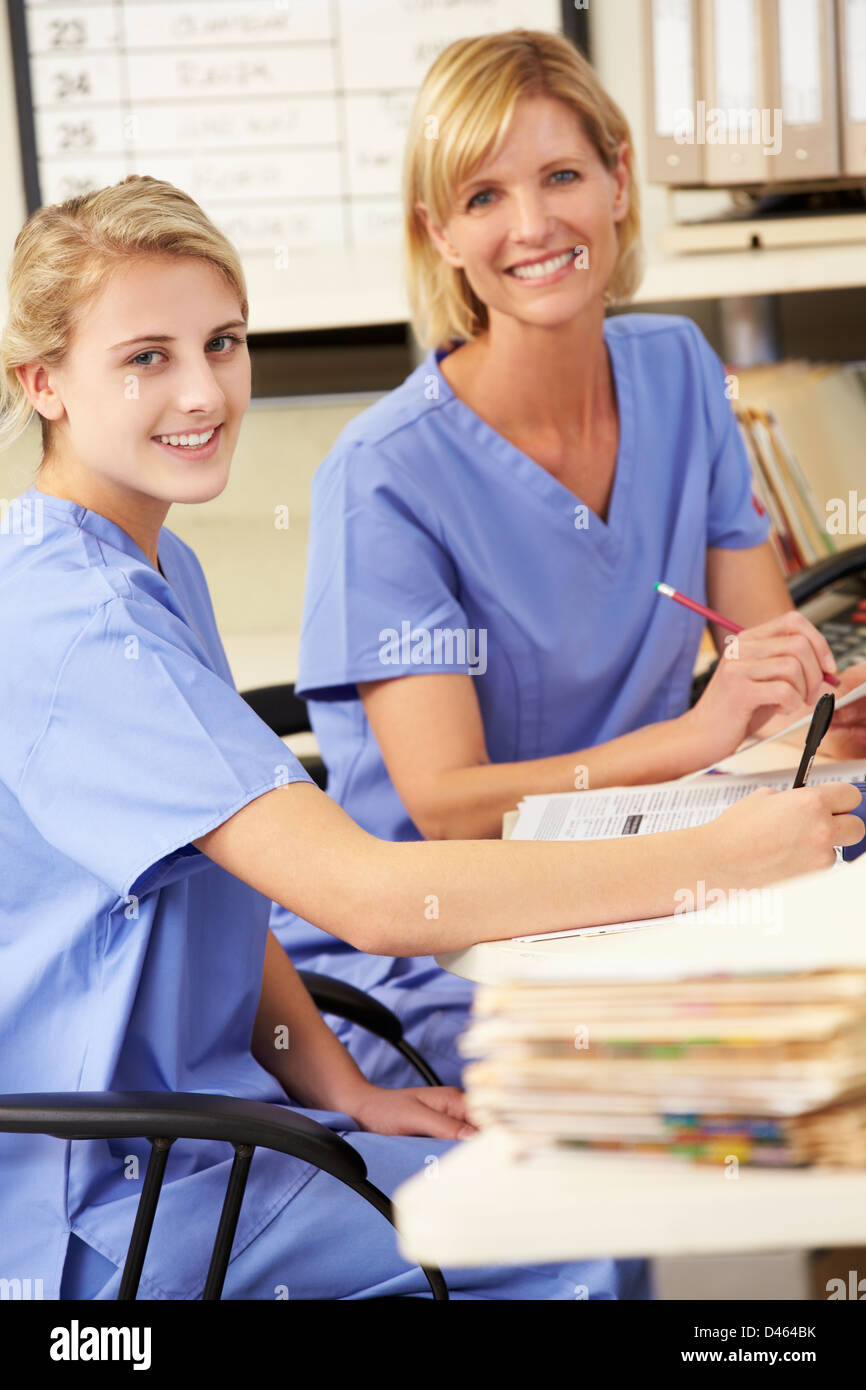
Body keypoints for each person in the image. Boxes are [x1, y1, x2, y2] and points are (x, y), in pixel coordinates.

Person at [2, 177, 859, 1302]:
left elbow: (213, 886)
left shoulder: (151, 563)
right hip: (117, 1198)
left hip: (220, 1130)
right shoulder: (78, 619)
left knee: (594, 1179)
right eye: (146, 357)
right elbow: (362, 895)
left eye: (221, 341)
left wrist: (340, 1088)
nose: (204, 390)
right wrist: (718, 863)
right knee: (570, 1234)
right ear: (43, 381)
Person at [271, 28, 866, 1088]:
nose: (533, 225)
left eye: (559, 175)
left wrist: (817, 709)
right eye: (483, 196)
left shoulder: (678, 368)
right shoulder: (385, 476)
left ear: (618, 181)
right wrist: (696, 733)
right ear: (438, 232)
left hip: (639, 878)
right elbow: (449, 805)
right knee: (766, 1060)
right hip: (451, 948)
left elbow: (762, 667)